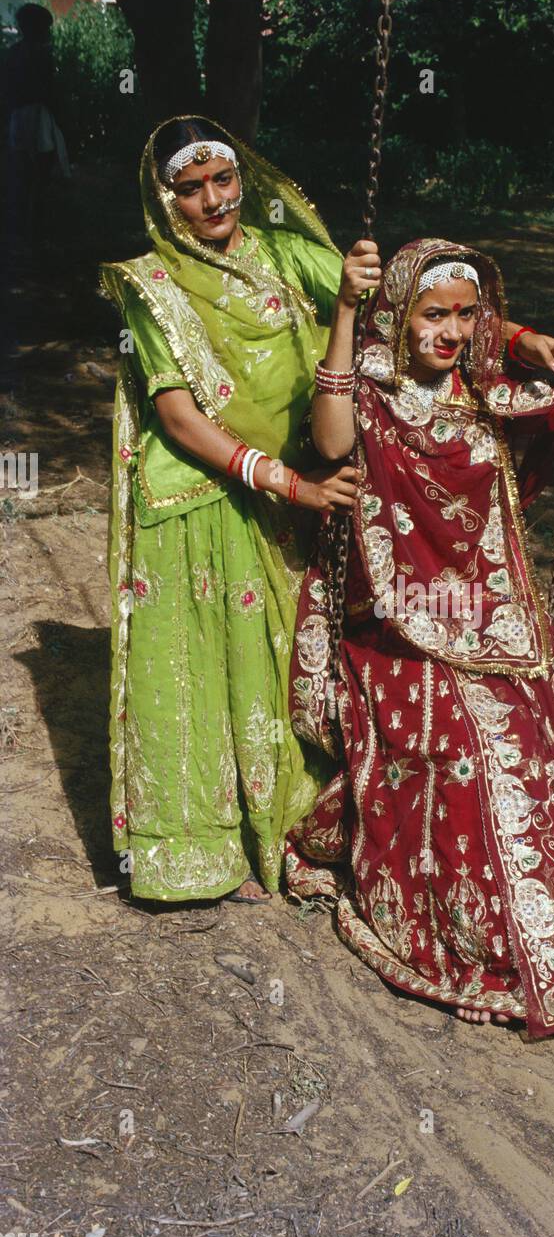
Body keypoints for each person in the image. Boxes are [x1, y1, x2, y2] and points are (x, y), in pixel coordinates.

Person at [285, 231, 554, 1039]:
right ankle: (491, 936)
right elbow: (334, 442)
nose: (448, 331)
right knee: (470, 755)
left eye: (464, 315)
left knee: (541, 741)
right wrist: (345, 309)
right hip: (398, 634)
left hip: (497, 626)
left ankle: (525, 924)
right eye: (431, 315)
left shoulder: (491, 393)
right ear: (398, 317)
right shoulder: (371, 393)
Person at [99, 114, 363, 904]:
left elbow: (388, 302)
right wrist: (293, 485)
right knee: (200, 670)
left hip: (287, 483)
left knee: (275, 666)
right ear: (163, 199)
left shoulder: (281, 251)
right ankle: (200, 855)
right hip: (196, 492)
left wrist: (517, 339)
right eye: (190, 188)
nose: (213, 200)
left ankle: (278, 832)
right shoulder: (150, 283)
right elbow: (180, 419)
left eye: (223, 180)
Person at [1, 3, 70, 250]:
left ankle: (24, 230)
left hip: (18, 118)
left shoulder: (13, 53)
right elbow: (49, 91)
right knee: (40, 176)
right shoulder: (40, 55)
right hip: (37, 117)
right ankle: (37, 231)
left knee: (24, 175)